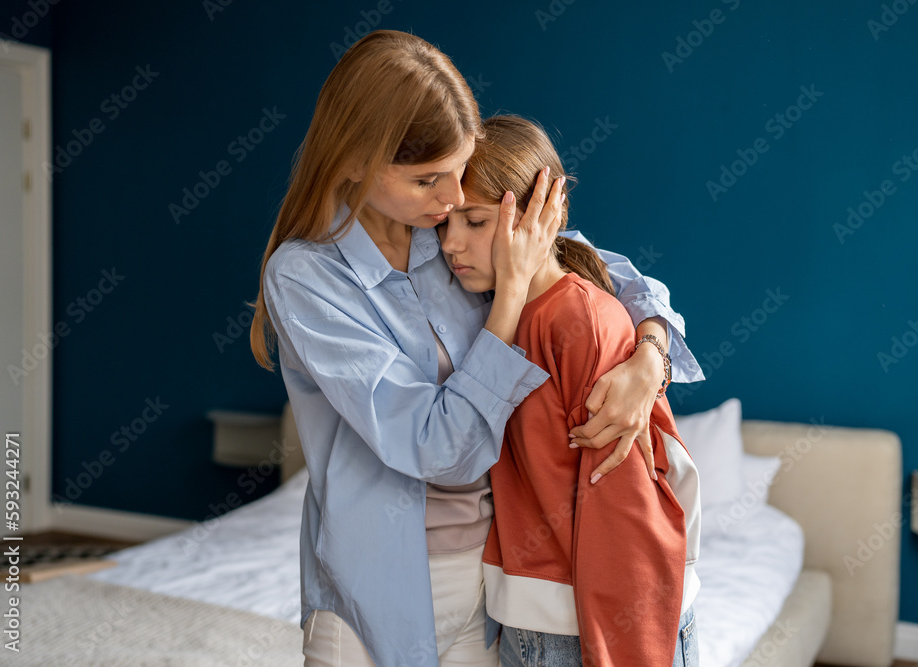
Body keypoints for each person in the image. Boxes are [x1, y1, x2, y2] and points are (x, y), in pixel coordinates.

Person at [248, 30, 702, 667]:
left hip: (498, 582)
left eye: (459, 174)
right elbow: (439, 450)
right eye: (428, 180)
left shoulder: (450, 234)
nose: (453, 198)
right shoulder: (308, 278)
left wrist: (649, 357)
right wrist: (511, 300)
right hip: (375, 596)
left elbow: (612, 274)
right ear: (353, 161)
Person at [436, 115, 701, 667]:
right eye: (444, 224)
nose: (450, 244)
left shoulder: (577, 316)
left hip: (596, 628)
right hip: (534, 621)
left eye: (476, 221)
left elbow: (624, 503)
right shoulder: (503, 314)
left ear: (541, 216)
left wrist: (630, 648)